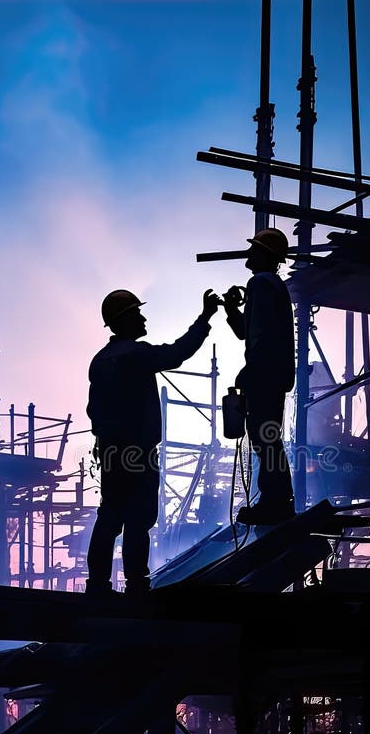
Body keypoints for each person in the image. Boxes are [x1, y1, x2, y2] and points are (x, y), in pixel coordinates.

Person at [86, 288, 218, 596]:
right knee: (137, 519)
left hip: (110, 451)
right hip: (138, 453)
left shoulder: (100, 361)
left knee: (109, 517)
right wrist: (205, 318)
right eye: (137, 312)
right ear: (126, 319)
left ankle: (97, 586)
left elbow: (93, 410)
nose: (143, 317)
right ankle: (136, 585)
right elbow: (177, 353)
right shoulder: (136, 355)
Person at [222, 227, 295, 526]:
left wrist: (249, 372)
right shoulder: (270, 285)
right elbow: (246, 332)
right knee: (267, 438)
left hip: (265, 374)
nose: (249, 254)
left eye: (254, 249)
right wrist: (230, 309)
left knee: (266, 439)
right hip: (271, 374)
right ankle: (277, 498)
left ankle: (274, 500)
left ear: (266, 255)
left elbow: (260, 337)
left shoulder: (262, 283)